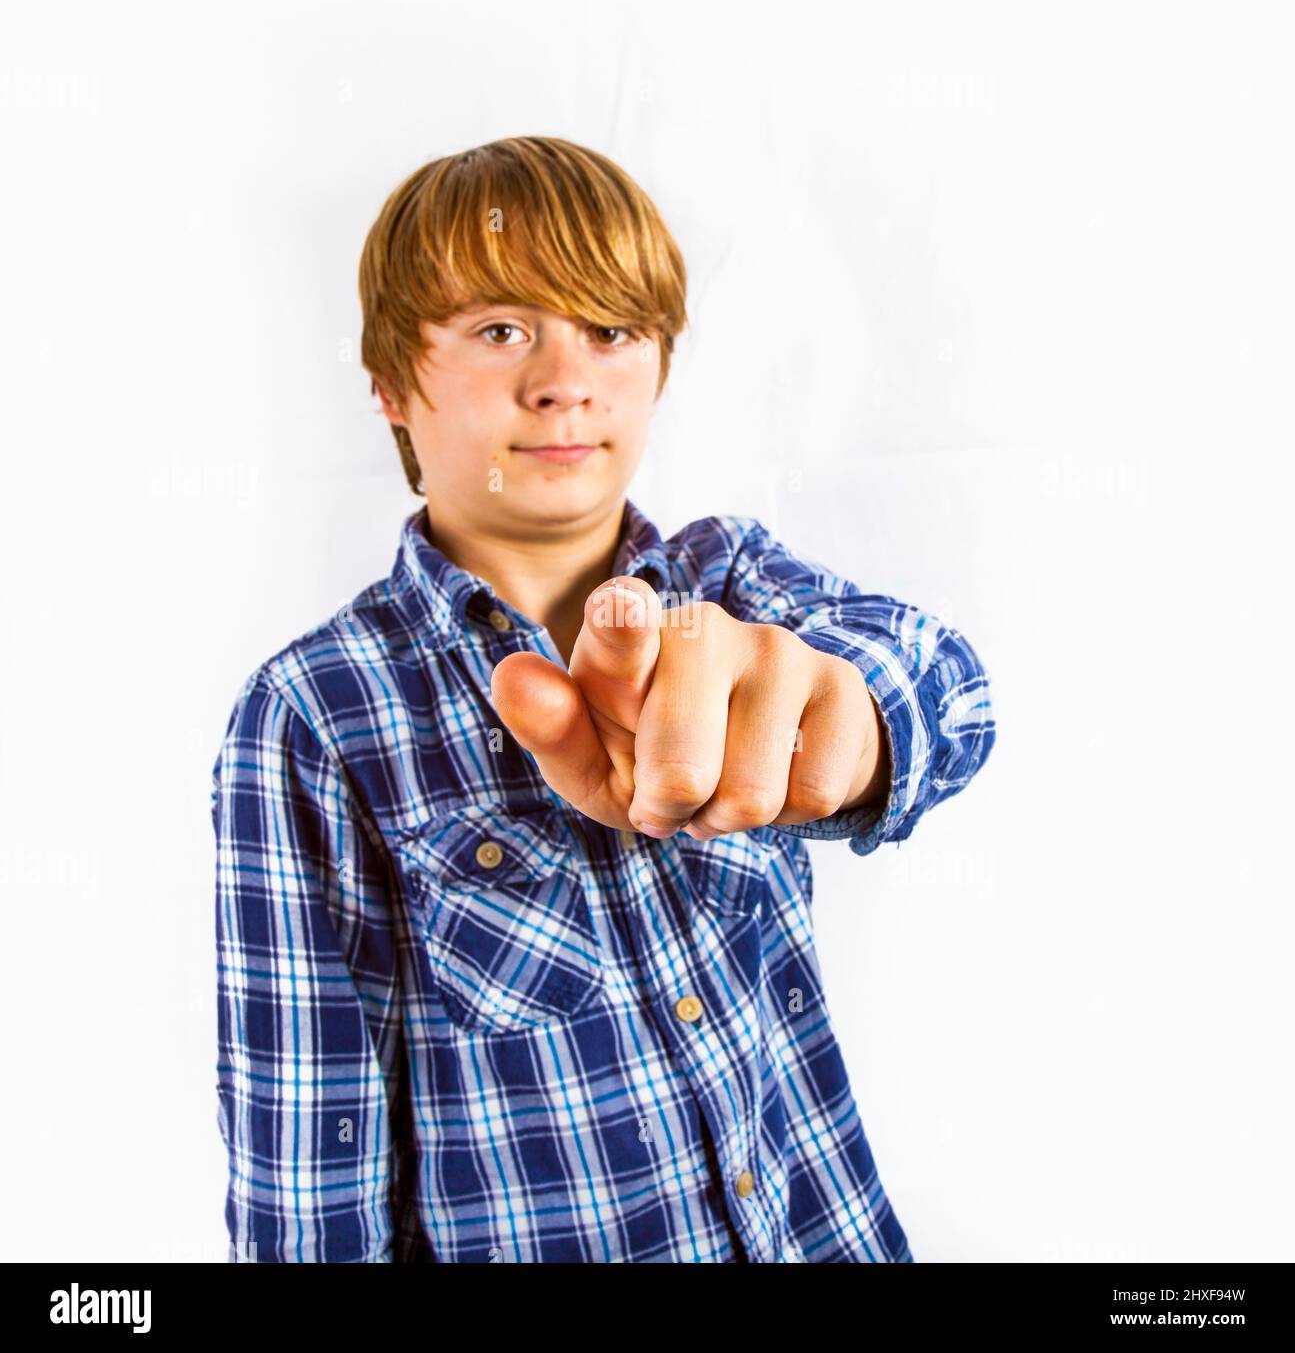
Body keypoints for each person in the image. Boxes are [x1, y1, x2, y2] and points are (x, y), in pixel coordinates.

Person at [210, 135, 997, 1262]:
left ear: (661, 365)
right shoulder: (314, 715)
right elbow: (307, 1171)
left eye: (610, 329)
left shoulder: (733, 583)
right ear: (389, 382)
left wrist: (853, 722)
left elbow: (948, 688)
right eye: (497, 329)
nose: (563, 379)